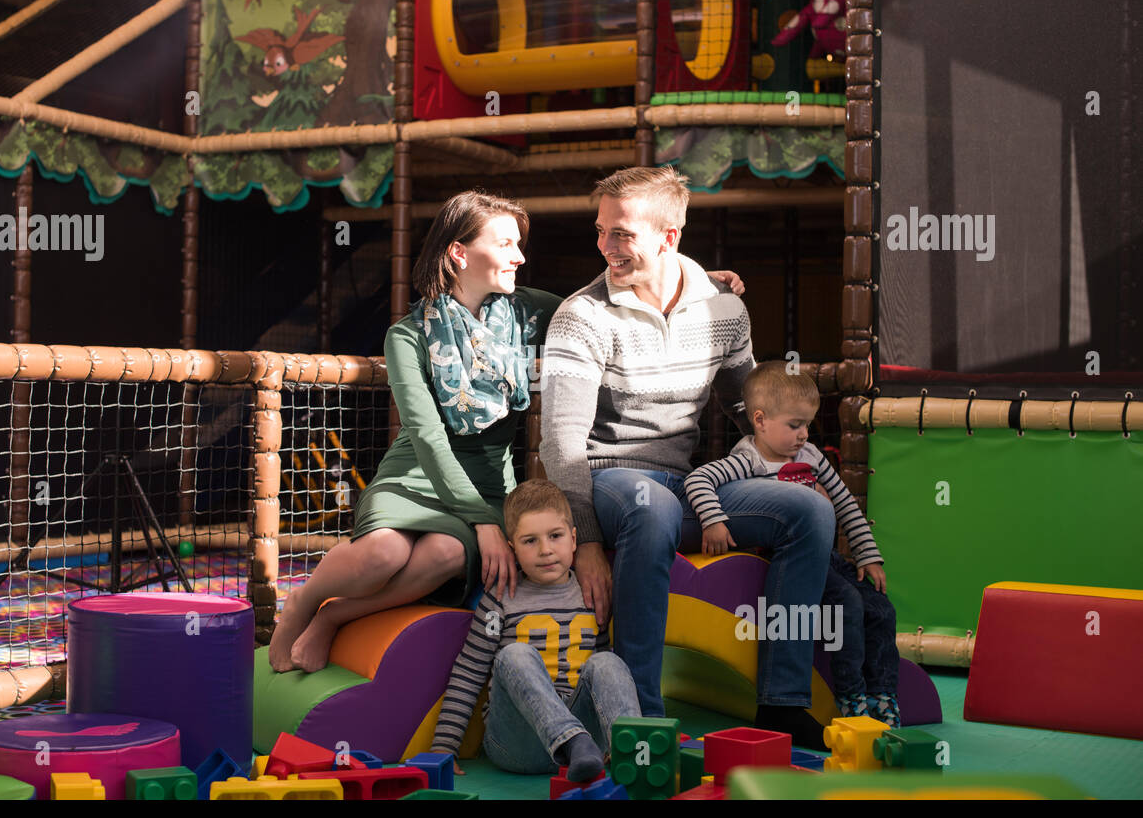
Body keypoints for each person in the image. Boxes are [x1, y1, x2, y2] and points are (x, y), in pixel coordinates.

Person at [540, 165, 835, 750]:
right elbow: (561, 441)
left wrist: (807, 468)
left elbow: (749, 409)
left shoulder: (723, 308)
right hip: (609, 477)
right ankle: (639, 718)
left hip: (687, 484)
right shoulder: (581, 315)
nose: (606, 246)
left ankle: (782, 702)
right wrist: (589, 540)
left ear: (668, 237)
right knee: (652, 510)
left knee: (808, 511)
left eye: (621, 233)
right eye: (601, 231)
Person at [268, 191, 559, 673]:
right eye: (506, 244)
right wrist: (484, 525)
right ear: (459, 252)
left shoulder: (530, 313)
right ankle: (302, 602)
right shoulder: (407, 336)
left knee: (445, 552)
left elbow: (601, 300)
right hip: (414, 478)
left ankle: (333, 616)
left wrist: (689, 282)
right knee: (383, 552)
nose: (519, 256)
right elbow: (426, 438)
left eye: (518, 244)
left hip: (487, 487)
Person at [684, 362, 900, 727]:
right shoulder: (748, 459)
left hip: (827, 558)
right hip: (783, 561)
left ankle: (883, 694)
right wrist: (714, 519)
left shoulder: (811, 457)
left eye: (808, 425)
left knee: (879, 606)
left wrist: (867, 555)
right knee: (846, 604)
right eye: (794, 425)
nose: (803, 435)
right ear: (760, 420)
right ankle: (851, 697)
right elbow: (699, 479)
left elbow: (846, 503)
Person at [429, 479, 641, 780]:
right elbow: (469, 671)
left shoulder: (590, 592)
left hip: (587, 752)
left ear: (573, 539)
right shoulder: (500, 599)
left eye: (555, 536)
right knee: (514, 654)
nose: (545, 550)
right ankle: (571, 740)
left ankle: (632, 752)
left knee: (607, 661)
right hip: (518, 744)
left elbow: (604, 682)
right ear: (512, 549)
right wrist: (444, 748)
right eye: (530, 541)